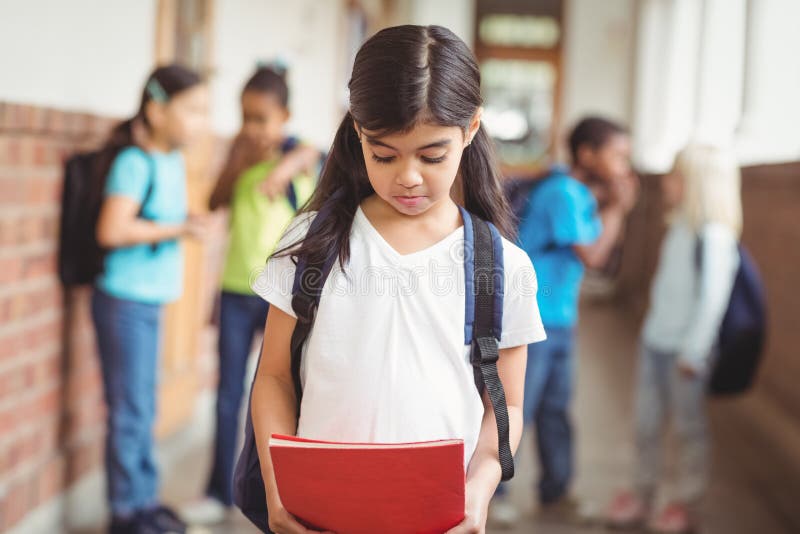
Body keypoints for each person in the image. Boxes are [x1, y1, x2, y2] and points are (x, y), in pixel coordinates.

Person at [248, 25, 546, 534]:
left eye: (432, 156)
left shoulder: (501, 266)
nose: (408, 176)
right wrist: (278, 491)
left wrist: (481, 486)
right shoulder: (315, 242)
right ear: (358, 133)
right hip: (321, 513)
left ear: (471, 129)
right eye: (383, 155)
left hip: (438, 518)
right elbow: (273, 376)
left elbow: (508, 403)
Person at [180, 65, 321, 524]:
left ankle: (291, 489)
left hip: (281, 298)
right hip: (235, 292)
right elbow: (217, 201)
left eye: (262, 118)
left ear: (285, 117)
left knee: (289, 392)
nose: (253, 127)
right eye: (245, 117)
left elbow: (313, 150)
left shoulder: (299, 157)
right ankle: (219, 491)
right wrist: (237, 159)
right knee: (227, 394)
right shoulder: (241, 154)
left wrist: (287, 162)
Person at [490, 117, 637, 526]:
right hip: (532, 319)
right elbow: (594, 256)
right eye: (618, 154)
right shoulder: (563, 193)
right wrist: (619, 210)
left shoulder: (577, 192)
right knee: (520, 409)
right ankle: (494, 492)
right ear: (587, 153)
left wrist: (608, 206)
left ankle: (556, 491)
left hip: (559, 320)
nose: (625, 164)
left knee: (555, 409)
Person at [92, 64, 212, 534]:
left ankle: (144, 499)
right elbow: (112, 228)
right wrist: (179, 227)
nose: (202, 122)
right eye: (194, 110)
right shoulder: (134, 162)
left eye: (206, 112)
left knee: (143, 404)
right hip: (125, 302)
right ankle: (126, 511)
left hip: (148, 301)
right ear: (157, 110)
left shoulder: (170, 160)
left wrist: (185, 221)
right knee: (131, 408)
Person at [605, 144, 741, 533]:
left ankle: (685, 500)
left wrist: (694, 351)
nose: (667, 183)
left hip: (686, 352)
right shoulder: (679, 226)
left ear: (699, 185)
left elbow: (712, 300)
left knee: (687, 430)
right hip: (656, 343)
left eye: (676, 176)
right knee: (646, 424)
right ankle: (643, 493)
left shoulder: (714, 237)